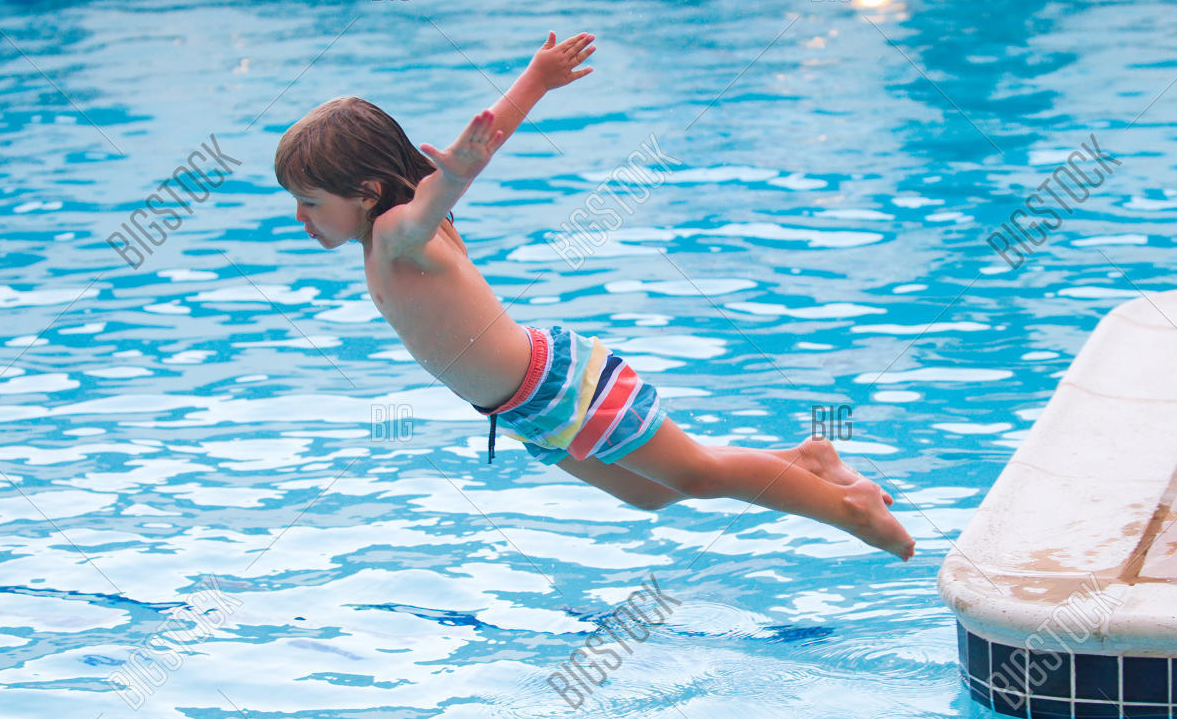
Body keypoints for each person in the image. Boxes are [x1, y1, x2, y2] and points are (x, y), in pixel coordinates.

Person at [273, 31, 914, 561]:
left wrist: (525, 92)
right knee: (651, 494)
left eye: (308, 201)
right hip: (519, 408)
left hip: (556, 384)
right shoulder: (385, 239)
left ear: (364, 191)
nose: (300, 218)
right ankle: (806, 458)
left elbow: (438, 190)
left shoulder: (397, 233)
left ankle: (847, 508)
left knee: (693, 474)